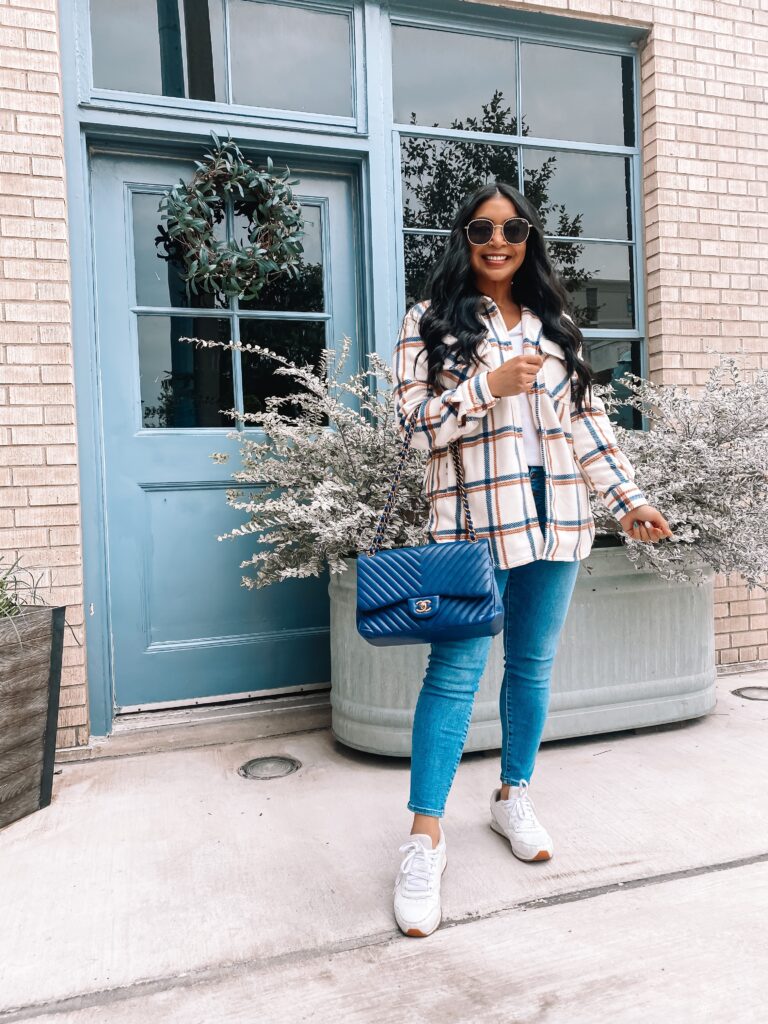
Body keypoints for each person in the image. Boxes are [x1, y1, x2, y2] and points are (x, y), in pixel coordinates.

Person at [390, 181, 673, 938]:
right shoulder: (428, 322)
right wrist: (483, 385)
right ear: (463, 236)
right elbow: (414, 430)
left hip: (558, 527)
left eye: (513, 228)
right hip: (474, 530)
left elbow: (592, 430)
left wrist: (628, 500)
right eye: (483, 227)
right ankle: (424, 839)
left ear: (528, 240)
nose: (498, 239)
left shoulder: (557, 325)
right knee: (451, 675)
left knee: (533, 667)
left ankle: (513, 795)